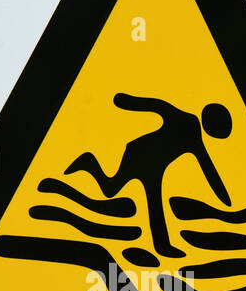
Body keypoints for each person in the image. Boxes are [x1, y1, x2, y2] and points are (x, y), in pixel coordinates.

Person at [65, 93, 232, 258]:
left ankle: (162, 246)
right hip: (138, 154)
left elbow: (208, 168)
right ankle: (89, 163)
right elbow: (158, 105)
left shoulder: (194, 135)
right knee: (112, 191)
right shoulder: (188, 122)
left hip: (152, 165)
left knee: (147, 199)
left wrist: (223, 196)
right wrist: (126, 101)